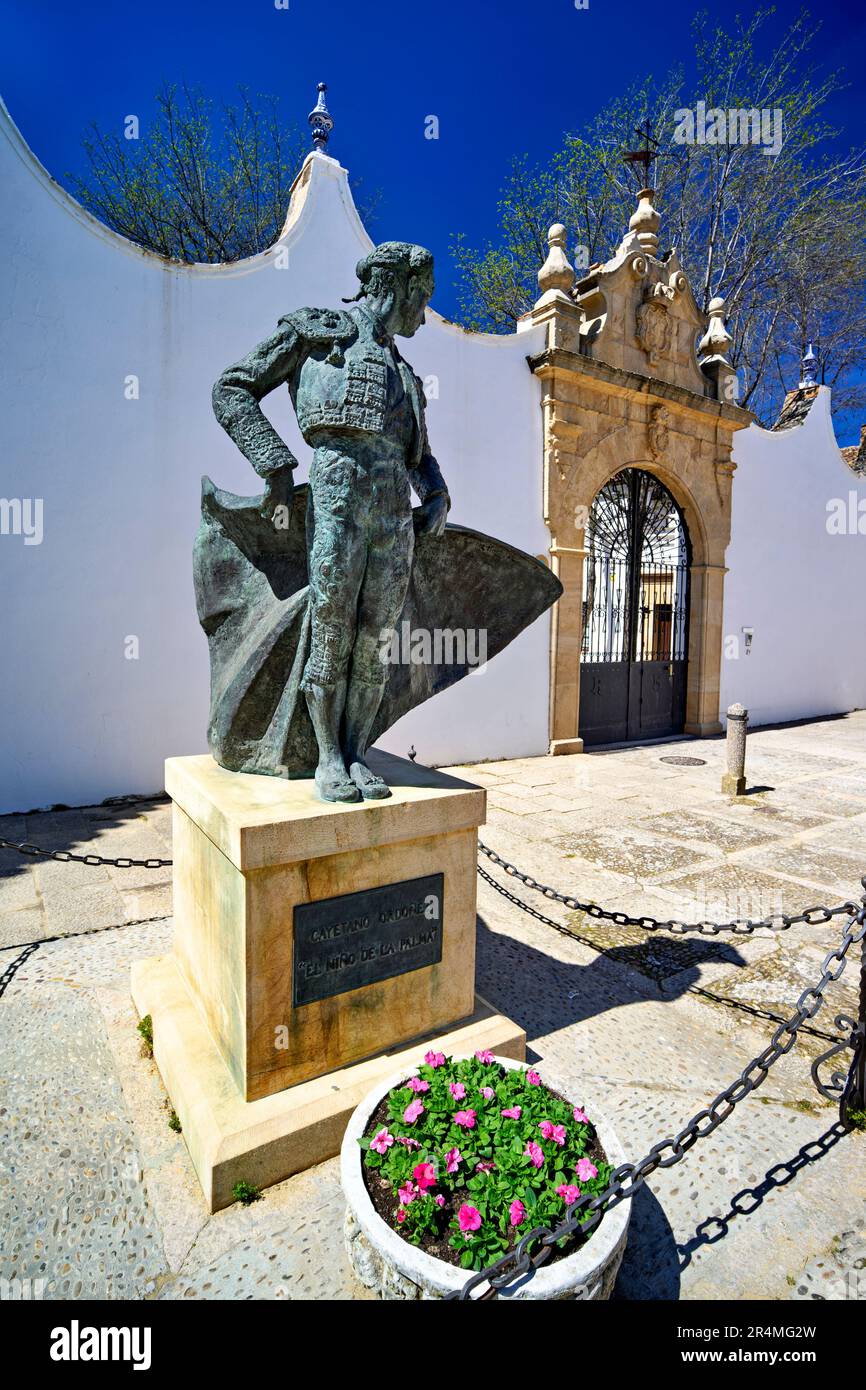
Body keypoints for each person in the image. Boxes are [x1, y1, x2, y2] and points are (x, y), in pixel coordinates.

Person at [212, 242, 449, 802]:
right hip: (337, 493)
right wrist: (273, 466)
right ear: (395, 286)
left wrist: (436, 493)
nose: (424, 312)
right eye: (422, 298)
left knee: (375, 642)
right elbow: (233, 389)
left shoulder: (406, 376)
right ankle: (325, 756)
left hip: (393, 509)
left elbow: (418, 454)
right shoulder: (318, 333)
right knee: (333, 629)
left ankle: (355, 751)